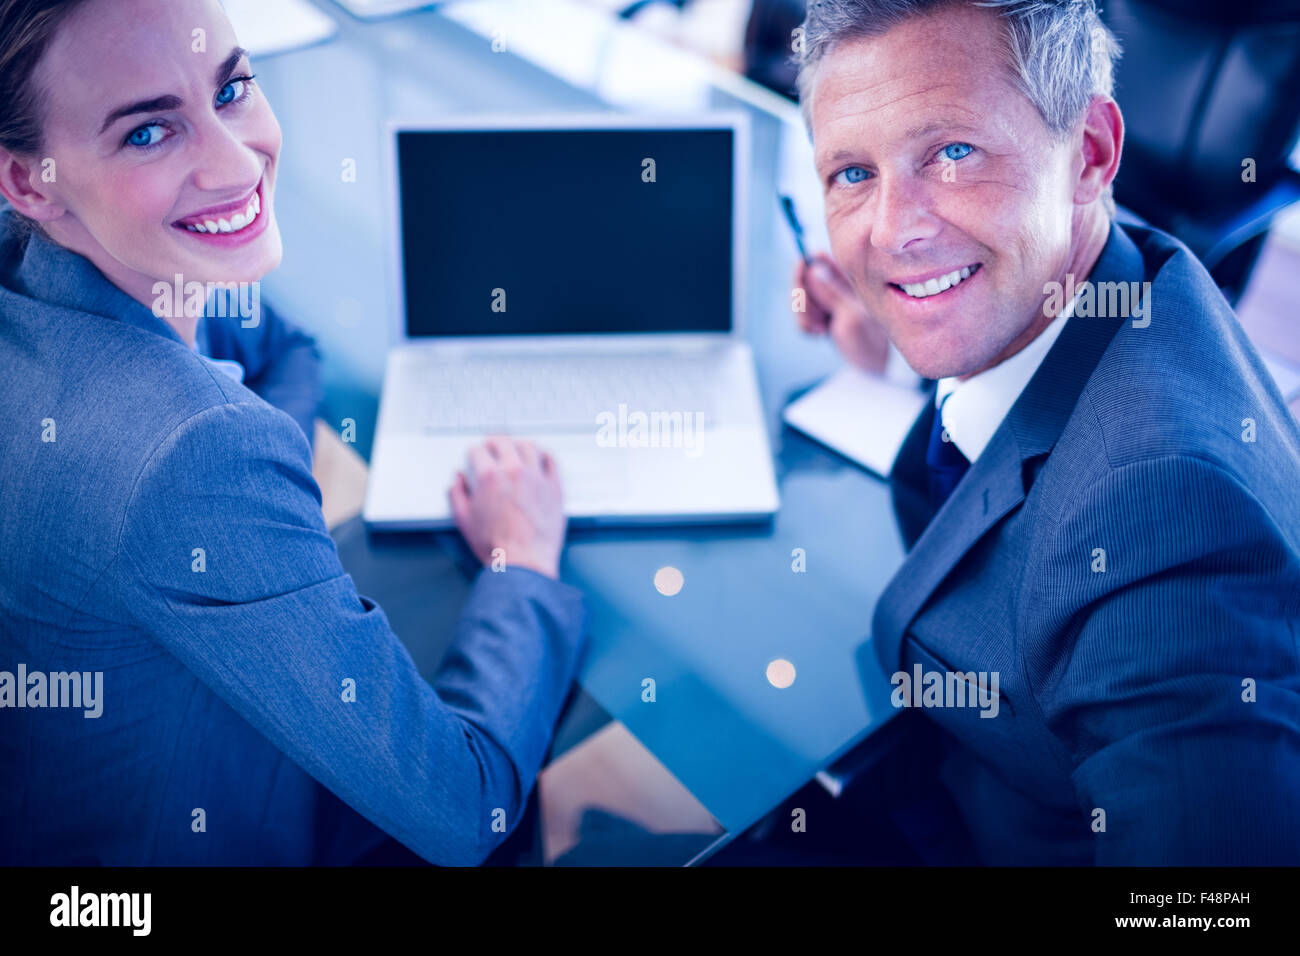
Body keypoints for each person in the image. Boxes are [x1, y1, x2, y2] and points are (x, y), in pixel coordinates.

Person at [0, 0, 584, 865]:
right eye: (148, 134)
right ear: (27, 180)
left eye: (231, 87)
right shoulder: (192, 453)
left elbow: (281, 343)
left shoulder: (40, 258)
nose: (238, 164)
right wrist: (524, 558)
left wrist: (255, 503)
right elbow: (465, 810)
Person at [784, 0, 1300, 864]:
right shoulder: (1110, 276)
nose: (893, 230)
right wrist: (907, 350)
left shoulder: (1164, 517)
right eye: (853, 174)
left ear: (1090, 153)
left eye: (953, 153)